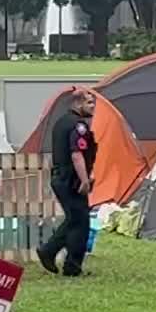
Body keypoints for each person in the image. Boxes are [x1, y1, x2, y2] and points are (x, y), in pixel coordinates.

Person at [38, 88, 99, 278]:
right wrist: (84, 180)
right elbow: (76, 154)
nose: (93, 107)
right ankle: (63, 260)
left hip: (61, 177)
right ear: (78, 103)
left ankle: (58, 257)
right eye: (89, 103)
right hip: (71, 179)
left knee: (75, 220)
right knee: (80, 222)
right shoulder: (78, 126)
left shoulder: (61, 122)